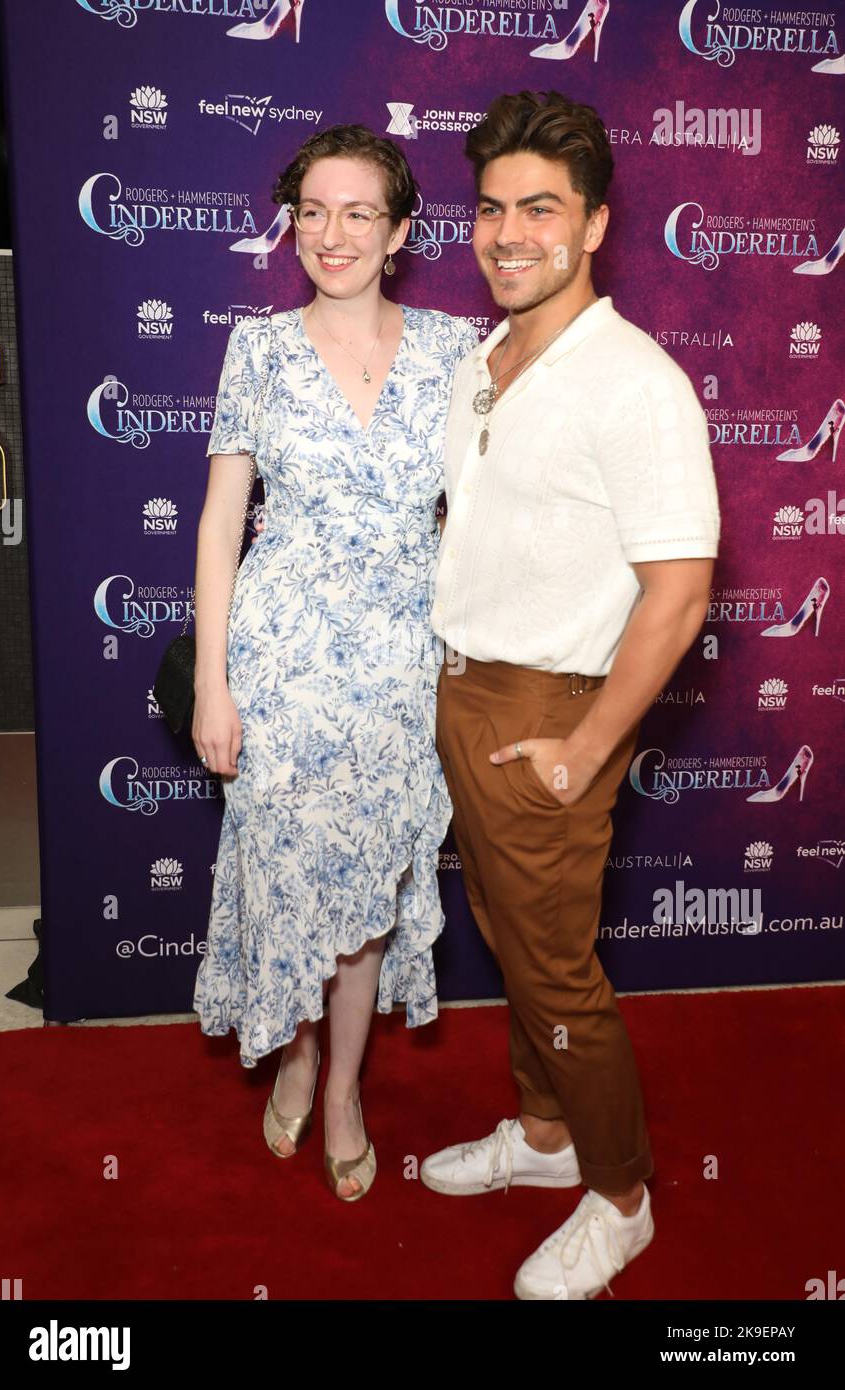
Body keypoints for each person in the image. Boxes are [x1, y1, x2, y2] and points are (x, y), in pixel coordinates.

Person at [422, 90, 720, 1297]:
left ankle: (621, 1194)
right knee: (508, 939)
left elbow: (681, 591)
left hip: (550, 713)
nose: (506, 234)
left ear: (593, 222)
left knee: (556, 977)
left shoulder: (632, 381)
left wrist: (581, 747)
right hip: (465, 694)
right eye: (490, 208)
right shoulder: (482, 361)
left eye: (538, 208)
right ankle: (546, 1142)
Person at [191, 125, 479, 1202]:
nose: (333, 233)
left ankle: (346, 1084)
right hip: (280, 662)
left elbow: (491, 513)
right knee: (285, 884)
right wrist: (214, 682)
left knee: (366, 898)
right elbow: (221, 526)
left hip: (405, 667)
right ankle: (299, 1052)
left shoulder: (459, 351)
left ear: (401, 231)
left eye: (360, 212)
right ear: (290, 225)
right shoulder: (255, 350)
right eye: (313, 211)